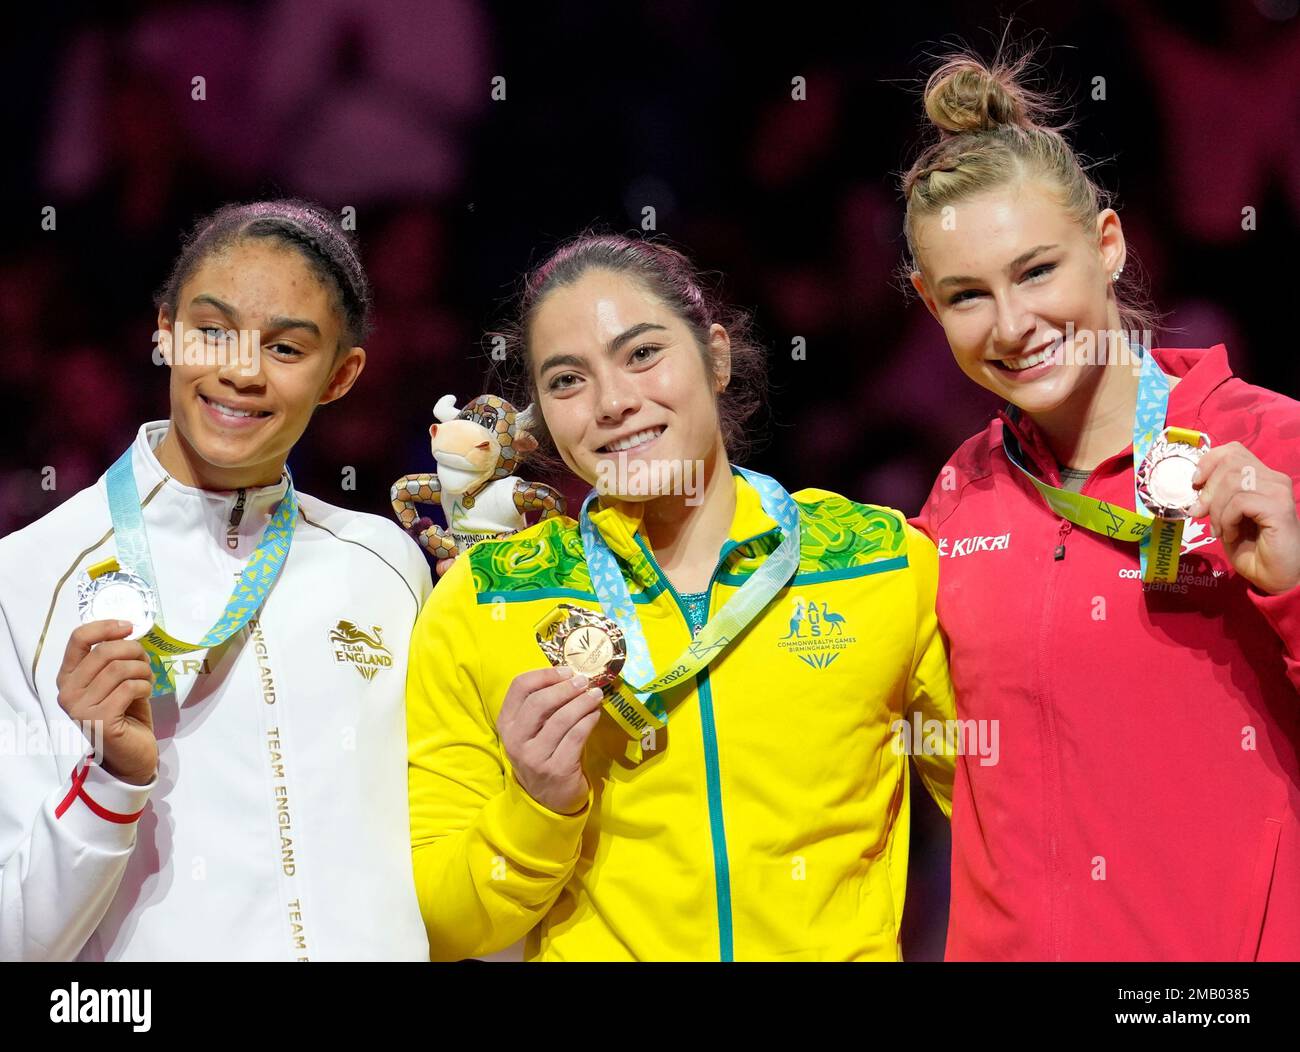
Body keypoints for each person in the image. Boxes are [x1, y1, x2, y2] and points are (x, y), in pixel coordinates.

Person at [405, 234, 956, 961]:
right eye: (567, 381)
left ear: (717, 358)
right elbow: (438, 921)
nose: (613, 403)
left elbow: (1008, 824)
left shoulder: (879, 563)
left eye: (642, 355)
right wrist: (537, 804)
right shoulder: (487, 599)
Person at [902, 51, 1300, 960]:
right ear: (929, 305)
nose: (1012, 325)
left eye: (1037, 271)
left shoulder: (1272, 446)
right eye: (967, 295)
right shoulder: (958, 499)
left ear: (1109, 244)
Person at [0, 199, 431, 960]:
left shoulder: (386, 566)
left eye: (287, 349)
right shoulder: (27, 579)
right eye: (211, 331)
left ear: (342, 375)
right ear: (163, 332)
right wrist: (109, 784)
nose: (240, 370)